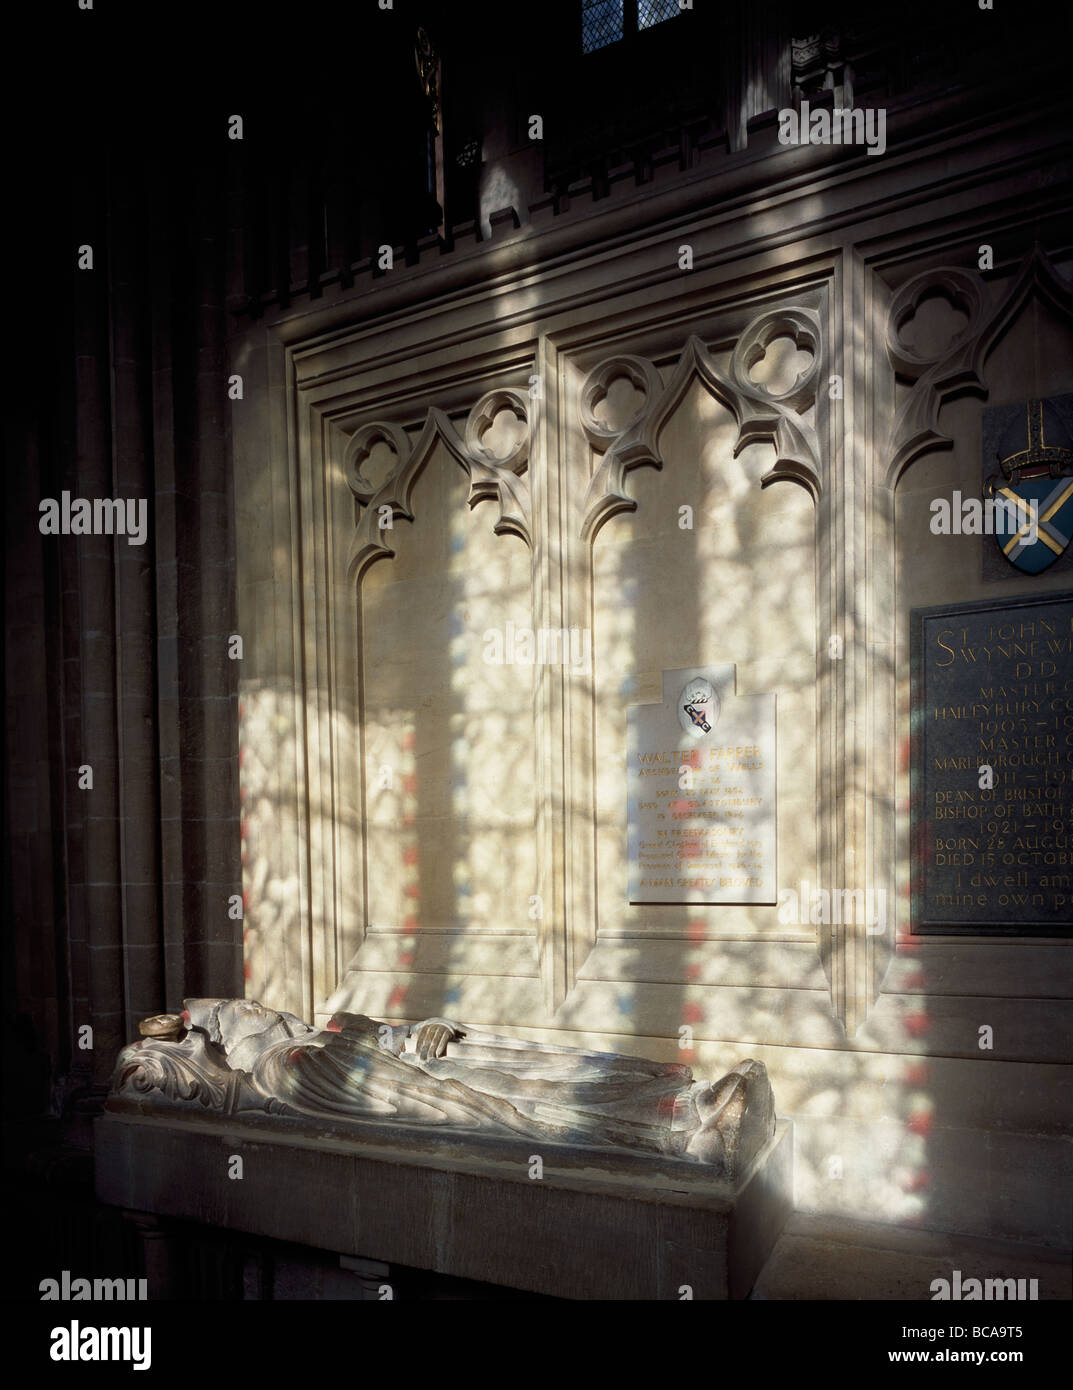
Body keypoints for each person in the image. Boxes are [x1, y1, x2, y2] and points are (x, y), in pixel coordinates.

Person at [111, 998, 774, 1178]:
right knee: (500, 1113)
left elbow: (335, 1025)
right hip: (308, 1077)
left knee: (508, 1069)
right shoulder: (179, 1059)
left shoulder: (218, 1015)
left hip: (347, 1049)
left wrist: (413, 1029)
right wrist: (171, 1040)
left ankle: (684, 1101)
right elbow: (143, 1075)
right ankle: (673, 1138)